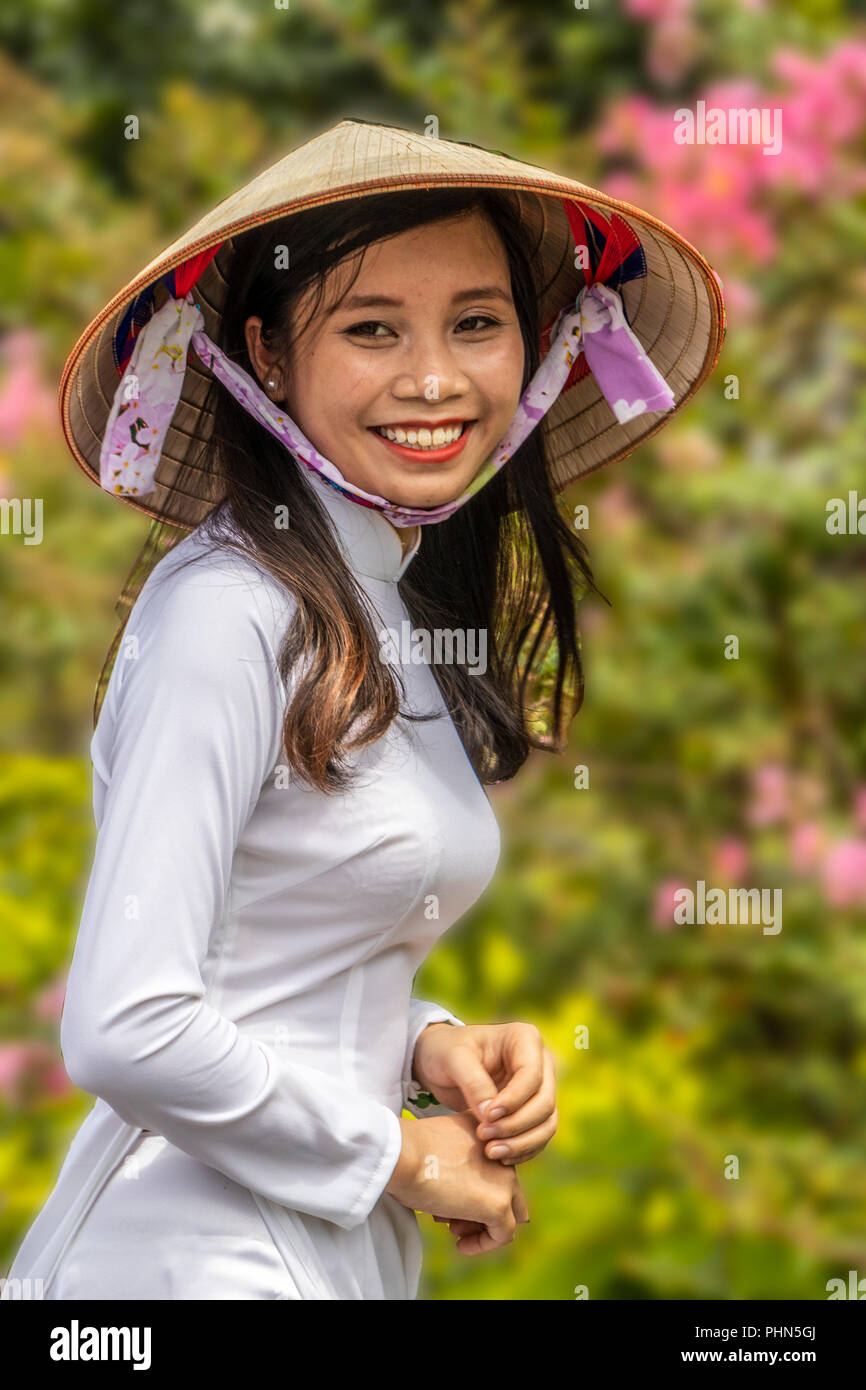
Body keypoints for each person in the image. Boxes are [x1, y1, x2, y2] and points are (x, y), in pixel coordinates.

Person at [2, 119, 724, 1300]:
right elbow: (124, 1022)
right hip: (188, 1257)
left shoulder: (369, 595)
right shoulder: (225, 613)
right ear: (265, 355)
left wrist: (424, 1040)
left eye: (475, 323)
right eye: (370, 328)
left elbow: (266, 954)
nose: (434, 378)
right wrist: (399, 1153)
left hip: (317, 1254)